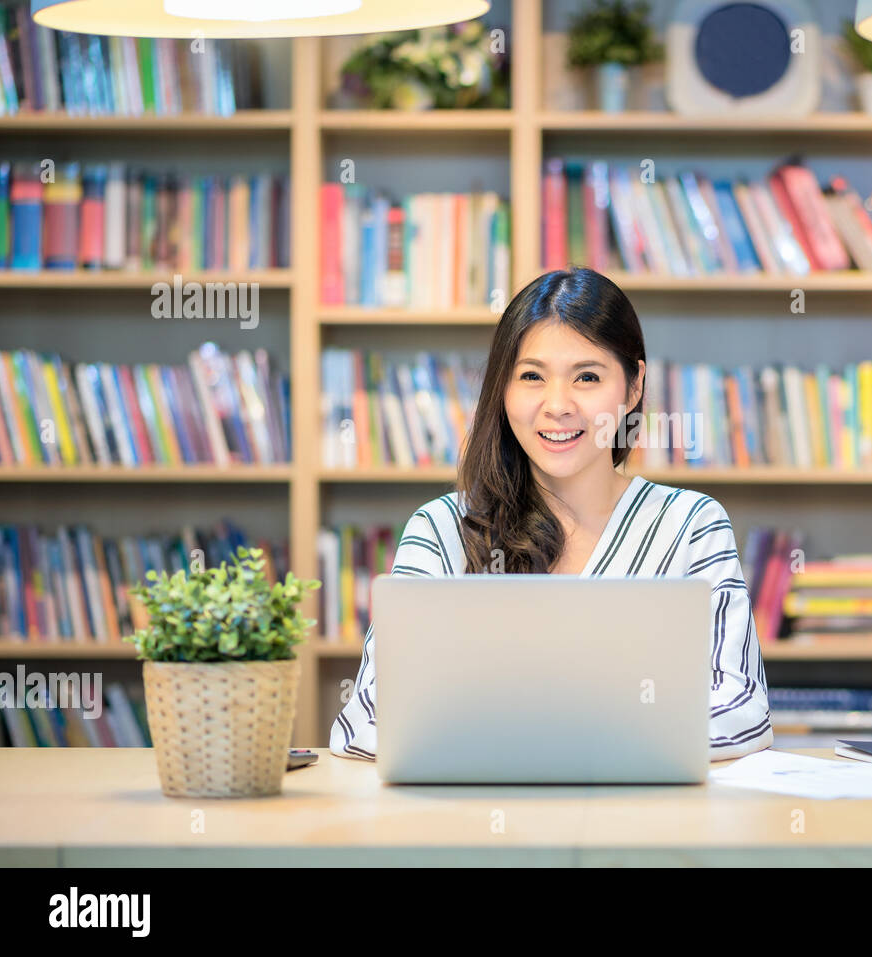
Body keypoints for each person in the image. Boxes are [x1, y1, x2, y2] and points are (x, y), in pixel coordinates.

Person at [330, 267, 773, 762]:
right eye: (532, 377)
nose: (557, 405)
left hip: (642, 825)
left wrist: (525, 729)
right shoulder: (441, 531)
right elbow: (366, 717)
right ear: (503, 390)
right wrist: (606, 727)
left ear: (633, 386)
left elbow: (742, 706)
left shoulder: (690, 526)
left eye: (587, 376)